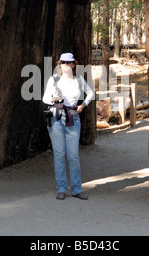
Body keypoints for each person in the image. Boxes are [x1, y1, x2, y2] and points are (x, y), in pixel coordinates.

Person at [42, 52, 95, 200]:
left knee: (73, 155)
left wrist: (83, 105)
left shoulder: (78, 80)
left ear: (73, 64)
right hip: (56, 118)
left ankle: (77, 188)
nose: (66, 65)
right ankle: (61, 188)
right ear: (60, 64)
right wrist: (55, 98)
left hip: (74, 118)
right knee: (59, 154)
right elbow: (45, 98)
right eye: (63, 62)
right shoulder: (54, 80)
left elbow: (90, 93)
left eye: (68, 62)